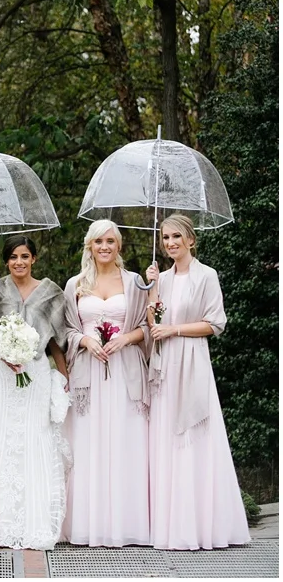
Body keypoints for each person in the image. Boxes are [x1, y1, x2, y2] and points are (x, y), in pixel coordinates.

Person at [145, 214, 251, 550]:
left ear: (191, 240)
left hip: (192, 359)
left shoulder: (207, 276)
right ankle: (170, 525)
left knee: (195, 437)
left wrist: (175, 329)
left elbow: (215, 323)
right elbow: (152, 322)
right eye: (165, 238)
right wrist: (152, 291)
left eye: (177, 237)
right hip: (166, 364)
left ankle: (202, 526)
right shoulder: (160, 277)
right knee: (166, 438)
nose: (170, 243)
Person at [62, 220, 151, 547]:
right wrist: (85, 340)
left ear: (119, 246)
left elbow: (147, 323)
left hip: (125, 371)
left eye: (110, 241)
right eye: (98, 241)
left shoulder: (135, 282)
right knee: (88, 445)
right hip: (88, 376)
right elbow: (67, 330)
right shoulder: (75, 284)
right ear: (89, 245)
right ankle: (89, 524)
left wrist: (126, 337)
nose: (104, 247)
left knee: (125, 442)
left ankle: (128, 525)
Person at [0, 234, 71, 550]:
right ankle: (3, 522)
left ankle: (36, 521)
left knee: (36, 438)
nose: (18, 262)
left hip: (35, 373)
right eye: (13, 257)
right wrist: (2, 351)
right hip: (3, 374)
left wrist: (63, 379)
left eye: (24, 256)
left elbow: (56, 343)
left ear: (33, 258)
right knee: (5, 440)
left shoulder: (51, 293)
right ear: (6, 261)